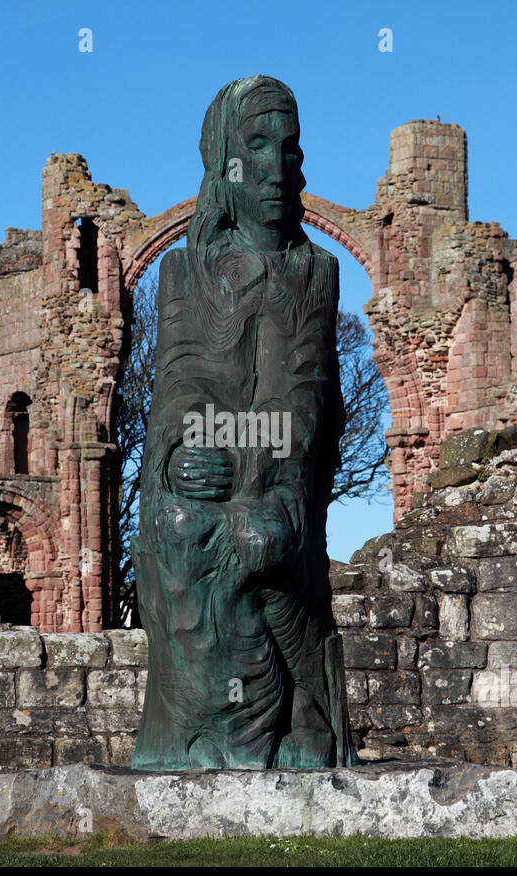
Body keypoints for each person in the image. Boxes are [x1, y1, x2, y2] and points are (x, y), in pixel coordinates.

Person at [131, 76, 357, 769]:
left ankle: (295, 726)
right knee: (175, 527)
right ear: (223, 162)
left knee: (265, 542)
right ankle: (199, 735)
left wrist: (271, 486)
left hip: (281, 486)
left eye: (288, 150)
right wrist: (179, 455)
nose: (273, 168)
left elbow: (310, 397)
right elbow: (181, 382)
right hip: (207, 480)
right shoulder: (185, 270)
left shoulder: (317, 272)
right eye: (255, 146)